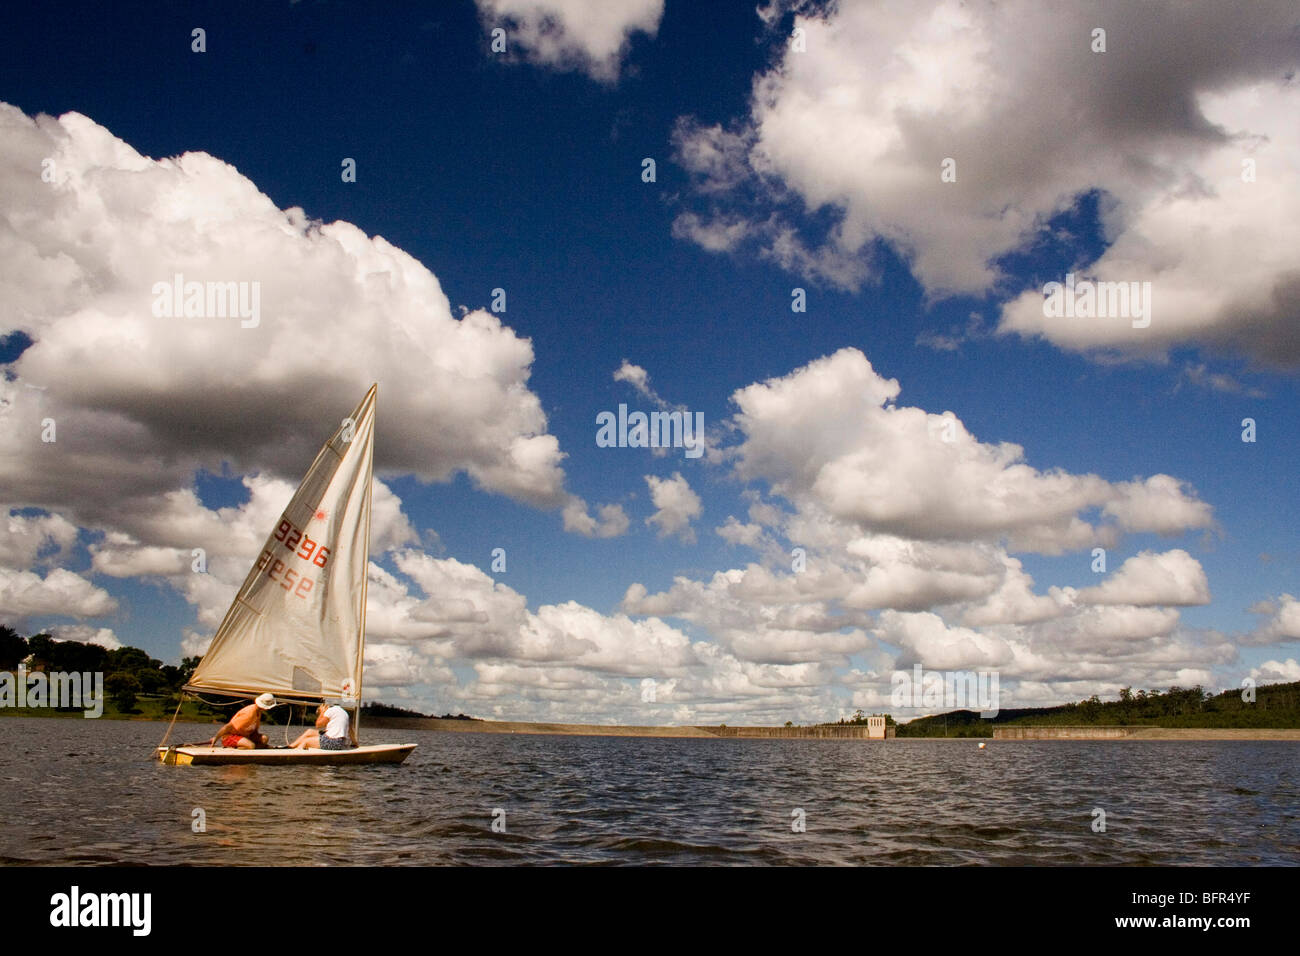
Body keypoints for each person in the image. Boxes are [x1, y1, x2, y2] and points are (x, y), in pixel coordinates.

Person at [287, 700, 357, 750]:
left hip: (333, 743)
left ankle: (296, 754)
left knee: (305, 741)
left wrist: (322, 712)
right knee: (309, 731)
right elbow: (350, 731)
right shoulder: (344, 713)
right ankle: (291, 746)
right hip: (340, 742)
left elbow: (318, 725)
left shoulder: (329, 711)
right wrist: (354, 743)